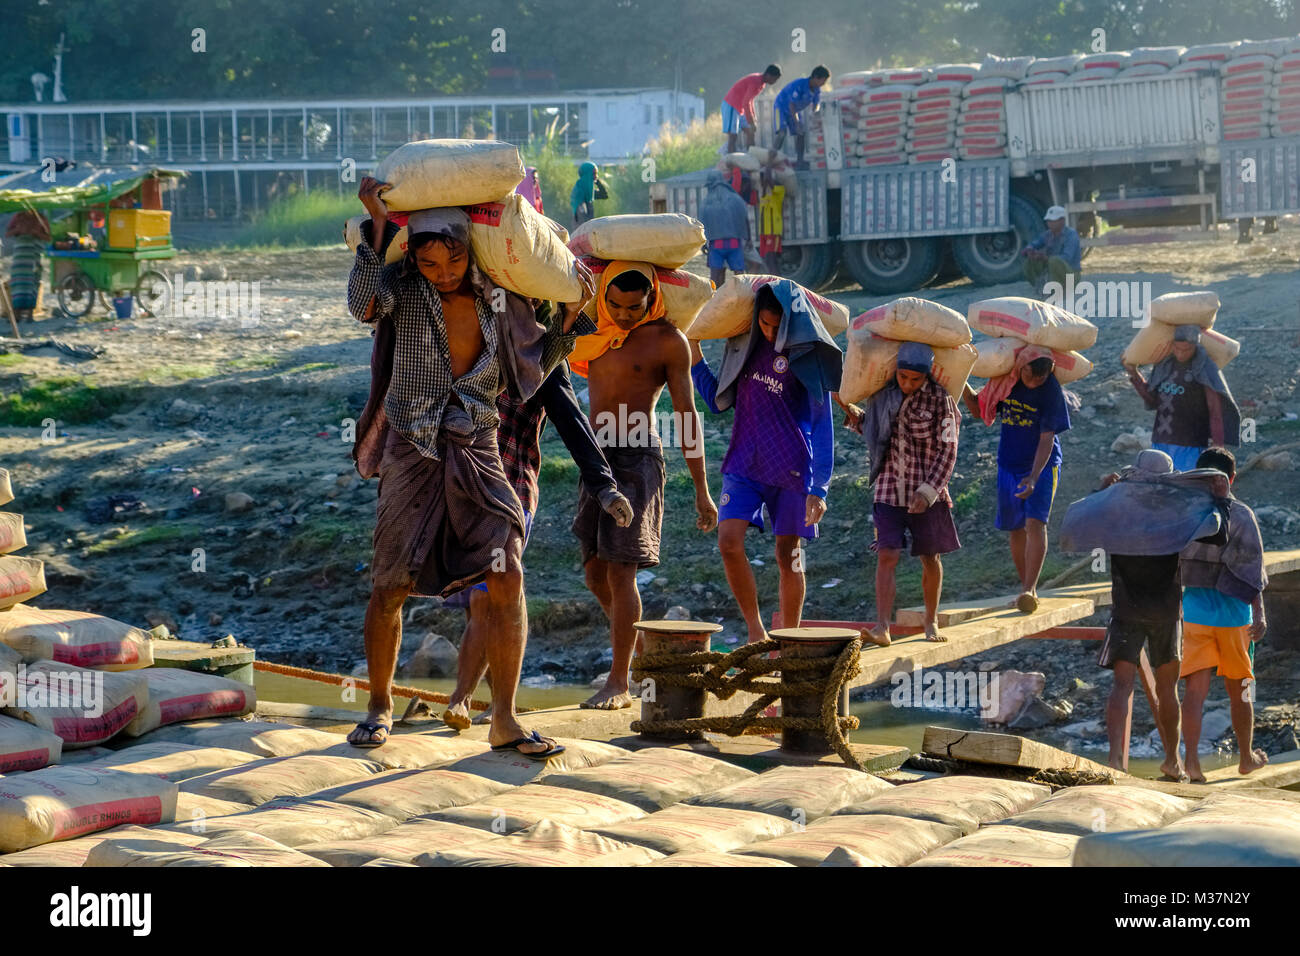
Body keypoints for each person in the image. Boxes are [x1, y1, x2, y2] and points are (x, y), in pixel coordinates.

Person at [346, 176, 596, 757]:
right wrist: (375, 227)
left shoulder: (501, 296)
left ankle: (504, 718)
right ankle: (380, 705)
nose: (442, 272)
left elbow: (535, 366)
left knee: (507, 574)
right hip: (413, 446)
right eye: (430, 263)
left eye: (453, 260)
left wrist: (573, 311)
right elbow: (363, 305)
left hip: (478, 446)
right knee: (390, 583)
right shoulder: (402, 287)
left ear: (469, 248)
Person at [439, 362, 635, 730]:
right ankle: (492, 706)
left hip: (510, 489)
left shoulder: (540, 356)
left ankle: (466, 701)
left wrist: (604, 485)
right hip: (465, 487)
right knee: (479, 603)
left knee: (489, 596)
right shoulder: (479, 344)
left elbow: (572, 422)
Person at [569, 262, 718, 709]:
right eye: (615, 304)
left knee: (621, 569)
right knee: (595, 573)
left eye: (634, 307)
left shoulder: (669, 341)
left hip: (637, 459)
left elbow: (687, 415)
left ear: (651, 297)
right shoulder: (591, 330)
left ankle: (619, 682)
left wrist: (702, 489)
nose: (625, 314)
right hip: (595, 459)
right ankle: (639, 659)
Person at [689, 280, 840, 644]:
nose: (770, 332)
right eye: (765, 324)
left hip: (791, 468)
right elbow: (715, 399)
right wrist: (693, 347)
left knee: (789, 554)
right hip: (745, 461)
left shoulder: (807, 358)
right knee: (728, 540)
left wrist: (819, 487)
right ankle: (756, 632)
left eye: (777, 326)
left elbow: (822, 425)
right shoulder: (744, 350)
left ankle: (788, 640)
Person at [855, 343, 961, 646]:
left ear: (925, 376)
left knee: (930, 557)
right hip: (889, 487)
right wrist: (852, 414)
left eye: (915, 380)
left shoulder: (941, 400)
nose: (908, 384)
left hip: (928, 491)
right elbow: (874, 430)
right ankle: (882, 627)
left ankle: (930, 622)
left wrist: (928, 491)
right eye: (903, 377)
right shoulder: (884, 393)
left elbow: (948, 449)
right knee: (887, 554)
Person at [1094, 449, 1187, 779]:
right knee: (1168, 689)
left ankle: (1115, 762)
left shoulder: (1119, 508)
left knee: (1122, 685)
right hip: (1167, 609)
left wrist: (1101, 492)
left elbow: (1087, 521)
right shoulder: (1178, 509)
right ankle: (1172, 762)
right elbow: (1215, 532)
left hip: (1127, 608)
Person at [1179, 446, 1269, 782]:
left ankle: (1192, 765)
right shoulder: (1242, 514)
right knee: (1243, 690)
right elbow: (1253, 570)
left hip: (1196, 615)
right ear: (1232, 478)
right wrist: (1259, 614)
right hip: (1234, 619)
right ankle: (1246, 758)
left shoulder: (1187, 512)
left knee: (1194, 692)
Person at [962, 347, 1072, 614]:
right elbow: (979, 409)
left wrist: (1034, 477)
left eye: (1040, 379)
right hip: (1008, 464)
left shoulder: (1051, 390)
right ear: (1021, 368)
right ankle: (1024, 588)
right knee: (1015, 527)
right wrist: (959, 374)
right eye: (1031, 378)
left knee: (1035, 523)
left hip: (1041, 467)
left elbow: (1047, 438)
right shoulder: (1005, 382)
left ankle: (1029, 589)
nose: (1035, 383)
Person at [1125, 324, 1240, 474]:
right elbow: (1153, 401)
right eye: (1177, 348)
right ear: (1172, 345)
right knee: (1158, 487)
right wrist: (1134, 374)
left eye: (1186, 350)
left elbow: (1214, 410)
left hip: (1191, 446)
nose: (1180, 353)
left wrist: (1217, 444)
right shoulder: (1164, 366)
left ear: (1195, 346)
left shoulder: (1204, 368)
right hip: (1161, 442)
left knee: (1185, 486)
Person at [698, 170, 751, 288]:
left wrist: (703, 244)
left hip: (716, 246)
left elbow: (701, 225)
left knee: (715, 278)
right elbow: (745, 218)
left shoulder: (706, 202)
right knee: (739, 276)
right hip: (734, 244)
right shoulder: (736, 198)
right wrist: (749, 239)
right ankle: (742, 298)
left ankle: (716, 300)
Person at [772, 66, 831, 169]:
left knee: (801, 133)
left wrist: (816, 113)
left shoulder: (817, 90)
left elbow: (816, 104)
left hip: (795, 111)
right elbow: (791, 105)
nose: (824, 84)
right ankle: (770, 161)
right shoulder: (800, 85)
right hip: (781, 107)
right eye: (823, 81)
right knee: (782, 133)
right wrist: (797, 122)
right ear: (815, 77)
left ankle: (800, 161)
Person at [722, 64, 782, 154]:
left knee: (751, 132)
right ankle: (732, 164)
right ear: (768, 75)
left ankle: (751, 158)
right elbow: (746, 102)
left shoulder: (761, 84)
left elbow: (750, 101)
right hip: (732, 105)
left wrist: (753, 118)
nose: (775, 82)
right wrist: (751, 121)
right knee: (733, 136)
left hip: (741, 108)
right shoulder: (755, 81)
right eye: (775, 79)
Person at [1021, 206, 1081, 295]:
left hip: (1071, 273)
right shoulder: (1048, 234)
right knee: (1030, 261)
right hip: (1053, 270)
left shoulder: (1071, 235)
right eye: (1049, 221)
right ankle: (1040, 285)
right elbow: (1035, 243)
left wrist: (1046, 258)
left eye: (1053, 221)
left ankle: (1063, 287)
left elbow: (1067, 257)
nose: (1050, 223)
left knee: (1054, 261)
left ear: (1062, 220)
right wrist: (1030, 251)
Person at [5, 211, 50, 321]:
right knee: (17, 283)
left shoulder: (41, 218)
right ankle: (17, 314)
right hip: (19, 256)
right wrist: (19, 230)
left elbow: (48, 237)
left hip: (34, 255)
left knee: (32, 283)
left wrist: (36, 233)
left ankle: (30, 315)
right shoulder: (18, 217)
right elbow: (8, 233)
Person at [570, 161, 607, 227]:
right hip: (581, 228)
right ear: (587, 174)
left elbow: (604, 195)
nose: (596, 176)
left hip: (588, 227)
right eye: (594, 174)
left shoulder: (588, 191)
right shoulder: (579, 190)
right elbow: (581, 216)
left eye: (596, 174)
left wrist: (597, 181)